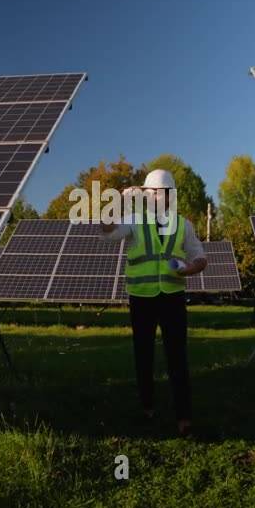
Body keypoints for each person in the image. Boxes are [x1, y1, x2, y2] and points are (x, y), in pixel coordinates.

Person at [101, 169, 207, 436]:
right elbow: (105, 231)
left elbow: (200, 257)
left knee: (177, 358)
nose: (159, 197)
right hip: (142, 298)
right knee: (143, 356)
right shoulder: (134, 221)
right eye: (154, 193)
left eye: (164, 193)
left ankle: (184, 417)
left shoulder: (184, 224)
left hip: (172, 298)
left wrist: (189, 269)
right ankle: (147, 406)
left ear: (171, 196)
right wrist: (119, 203)